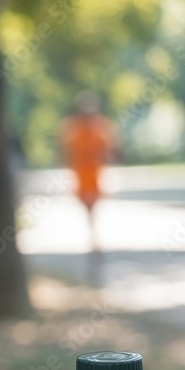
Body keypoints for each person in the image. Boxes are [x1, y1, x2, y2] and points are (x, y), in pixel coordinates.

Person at [59, 91, 117, 256]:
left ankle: (93, 237)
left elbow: (108, 150)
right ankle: (93, 236)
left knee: (92, 205)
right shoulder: (72, 128)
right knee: (87, 205)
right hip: (81, 175)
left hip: (94, 175)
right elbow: (67, 152)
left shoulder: (101, 127)